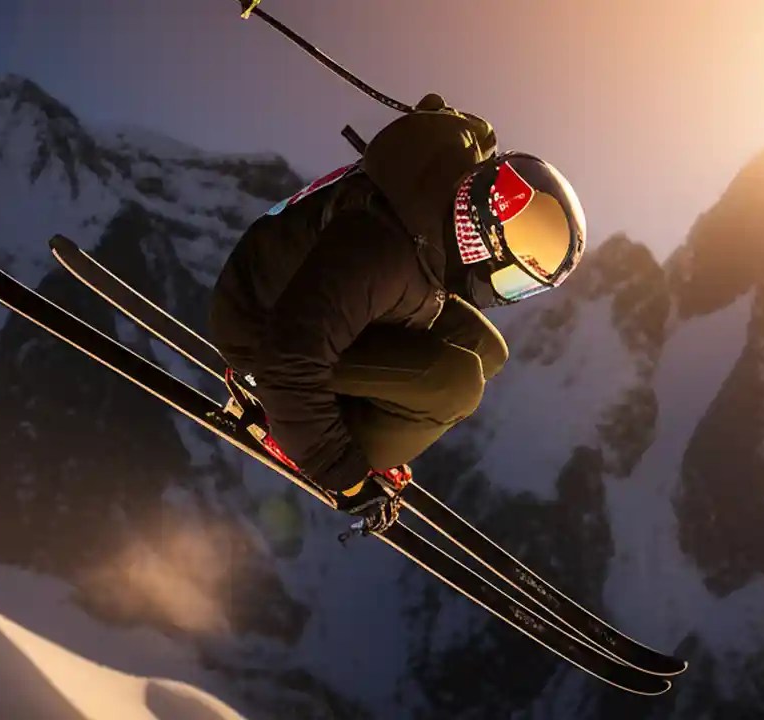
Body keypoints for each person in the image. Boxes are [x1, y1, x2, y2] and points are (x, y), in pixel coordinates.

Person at [208, 93, 586, 531]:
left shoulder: (442, 187)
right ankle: (283, 425)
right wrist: (344, 477)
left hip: (307, 297)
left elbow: (448, 123)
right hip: (259, 327)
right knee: (456, 385)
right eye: (511, 282)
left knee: (486, 351)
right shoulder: (382, 253)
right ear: (484, 241)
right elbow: (288, 360)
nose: (504, 295)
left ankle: (325, 416)